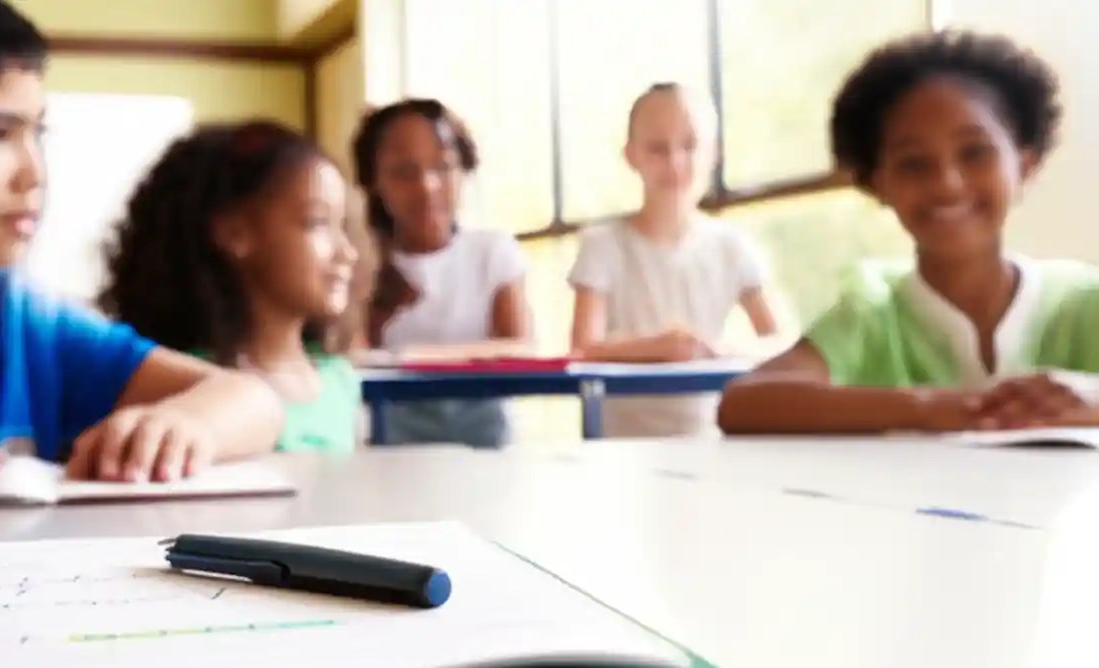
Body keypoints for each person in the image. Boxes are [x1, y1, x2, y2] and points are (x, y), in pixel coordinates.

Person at [0, 0, 283, 494]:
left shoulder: (24, 321)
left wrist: (186, 426)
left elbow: (253, 400)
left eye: (35, 133)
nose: (34, 173)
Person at [717, 30, 1099, 434]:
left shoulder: (1082, 304)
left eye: (974, 153)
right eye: (914, 164)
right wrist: (926, 406)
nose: (947, 183)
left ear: (1025, 165)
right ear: (875, 183)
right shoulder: (873, 314)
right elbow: (744, 402)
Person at [98, 121, 362, 453]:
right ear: (235, 233)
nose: (347, 252)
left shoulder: (339, 380)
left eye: (344, 226)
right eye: (317, 223)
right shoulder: (184, 383)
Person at [568, 82, 778, 436]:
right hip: (619, 450)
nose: (676, 162)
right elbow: (582, 348)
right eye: (657, 149)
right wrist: (661, 348)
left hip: (711, 437)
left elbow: (780, 342)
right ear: (631, 155)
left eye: (690, 145)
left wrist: (712, 350)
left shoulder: (733, 245)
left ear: (714, 153)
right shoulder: (601, 243)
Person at [351, 98, 534, 448]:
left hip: (487, 442)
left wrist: (408, 357)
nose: (427, 186)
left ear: (464, 170)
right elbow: (353, 360)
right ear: (372, 181)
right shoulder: (361, 263)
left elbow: (520, 351)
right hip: (389, 444)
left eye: (443, 167)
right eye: (404, 172)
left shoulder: (492, 251)